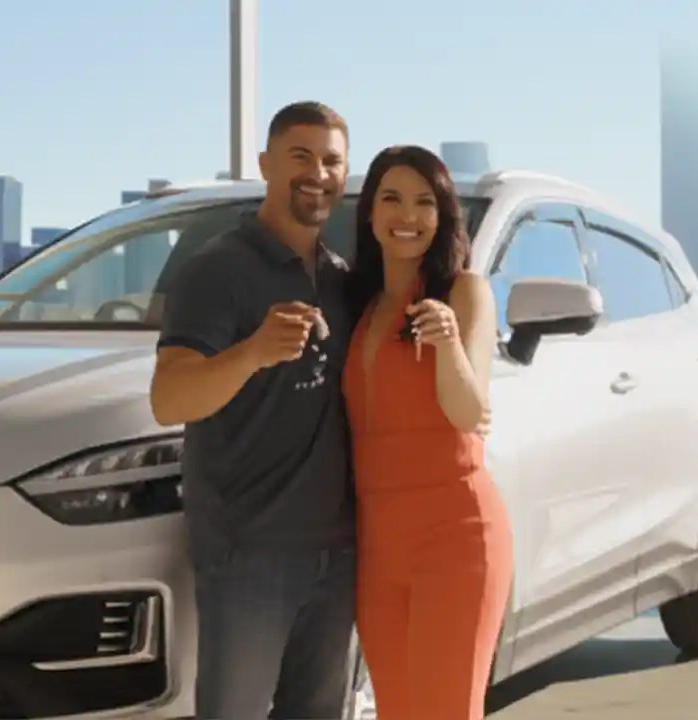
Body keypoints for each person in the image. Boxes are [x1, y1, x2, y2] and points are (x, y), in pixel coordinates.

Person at [149, 101, 357, 719]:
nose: (316, 173)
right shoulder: (217, 271)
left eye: (331, 160)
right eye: (300, 156)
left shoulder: (343, 280)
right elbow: (169, 399)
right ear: (265, 164)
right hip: (250, 553)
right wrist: (251, 354)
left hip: (340, 554)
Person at [342, 145, 512, 719]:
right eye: (391, 198)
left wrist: (446, 344)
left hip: (455, 535)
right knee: (396, 710)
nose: (406, 215)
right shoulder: (356, 304)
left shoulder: (465, 292)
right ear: (369, 212)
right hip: (376, 542)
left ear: (442, 218)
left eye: (424, 202)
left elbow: (469, 413)